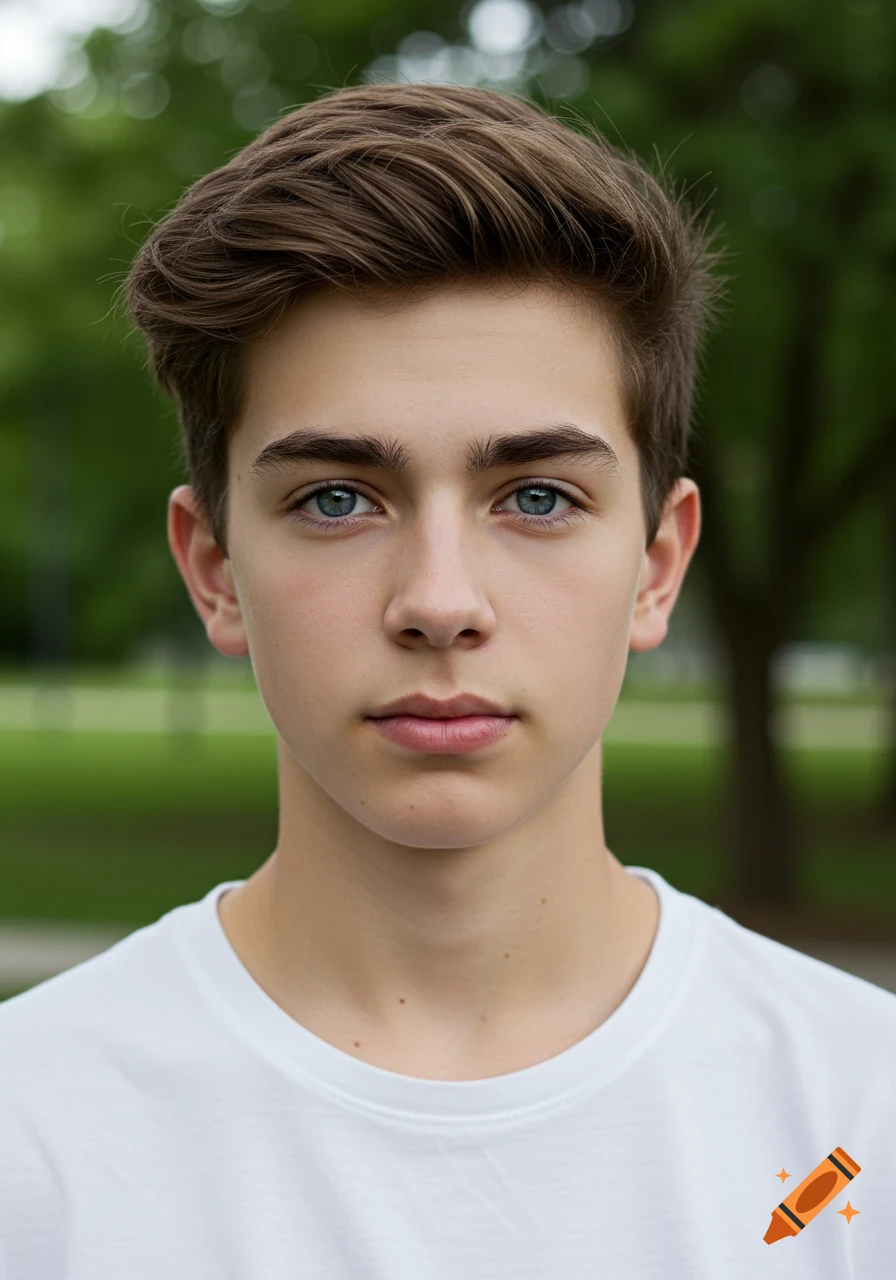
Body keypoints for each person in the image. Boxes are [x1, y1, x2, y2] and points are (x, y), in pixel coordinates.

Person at [1, 82, 893, 1279]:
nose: (437, 600)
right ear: (215, 571)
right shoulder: (32, 1136)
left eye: (534, 496)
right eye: (335, 498)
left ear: (655, 563)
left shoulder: (858, 1112)